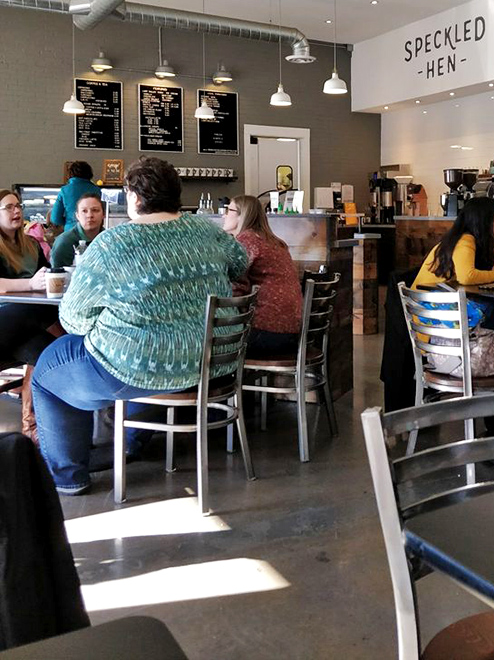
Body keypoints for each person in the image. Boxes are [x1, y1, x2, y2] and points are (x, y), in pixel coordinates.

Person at [31, 157, 248, 495]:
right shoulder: (207, 230)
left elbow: (72, 319)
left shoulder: (113, 243)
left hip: (139, 366)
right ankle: (131, 441)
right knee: (135, 360)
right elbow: (240, 263)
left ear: (133, 196)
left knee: (46, 373)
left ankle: (69, 478)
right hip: (211, 362)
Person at [413, 197, 494, 362]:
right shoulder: (465, 241)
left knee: (490, 309)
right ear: (484, 222)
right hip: (429, 309)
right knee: (490, 310)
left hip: (442, 302)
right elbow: (466, 277)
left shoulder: (484, 241)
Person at [223, 194, 302, 354]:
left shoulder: (247, 240)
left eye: (228, 210)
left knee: (207, 341)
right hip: (291, 332)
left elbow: (234, 288)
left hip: (267, 333)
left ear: (242, 215)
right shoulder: (273, 241)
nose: (223, 215)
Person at [0, 188, 59, 372]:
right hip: (7, 316)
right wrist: (31, 284)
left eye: (18, 206)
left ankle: (30, 394)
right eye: (9, 207)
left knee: (53, 355)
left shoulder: (32, 244)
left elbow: (45, 274)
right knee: (34, 309)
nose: (17, 210)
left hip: (25, 327)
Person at [50, 194, 105, 268]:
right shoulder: (64, 242)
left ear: (103, 214)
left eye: (95, 210)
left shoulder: (109, 240)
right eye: (84, 211)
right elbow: (57, 272)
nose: (89, 215)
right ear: (77, 215)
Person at [51, 162, 100, 231]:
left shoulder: (65, 190)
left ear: (70, 174)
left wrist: (68, 222)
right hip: (93, 231)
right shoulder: (97, 190)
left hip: (71, 230)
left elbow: (55, 218)